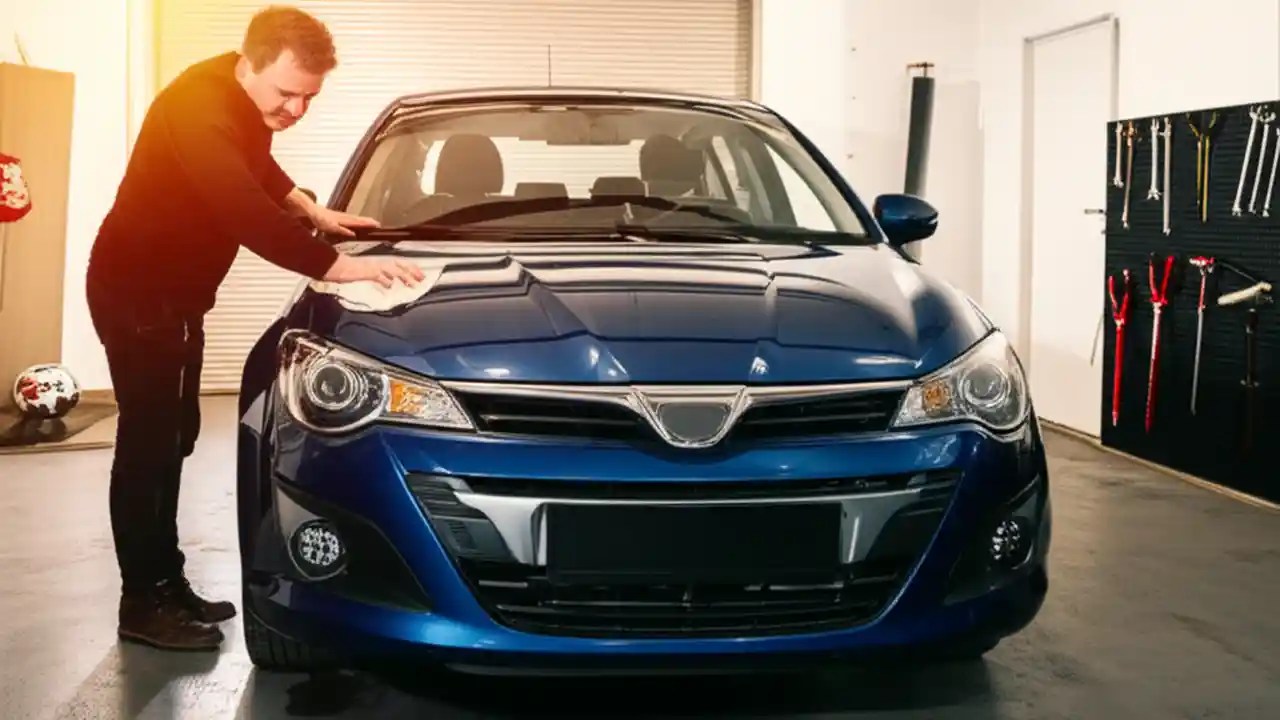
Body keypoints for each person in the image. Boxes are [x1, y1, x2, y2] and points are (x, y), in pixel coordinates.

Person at [85, 5, 423, 651]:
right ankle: (143, 602)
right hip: (138, 297)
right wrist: (339, 266)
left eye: (309, 98)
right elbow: (241, 206)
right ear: (250, 63)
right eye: (287, 93)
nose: (297, 110)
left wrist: (312, 210)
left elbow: (257, 169)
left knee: (176, 435)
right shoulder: (197, 109)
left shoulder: (235, 94)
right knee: (150, 446)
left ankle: (166, 582)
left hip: (173, 300)